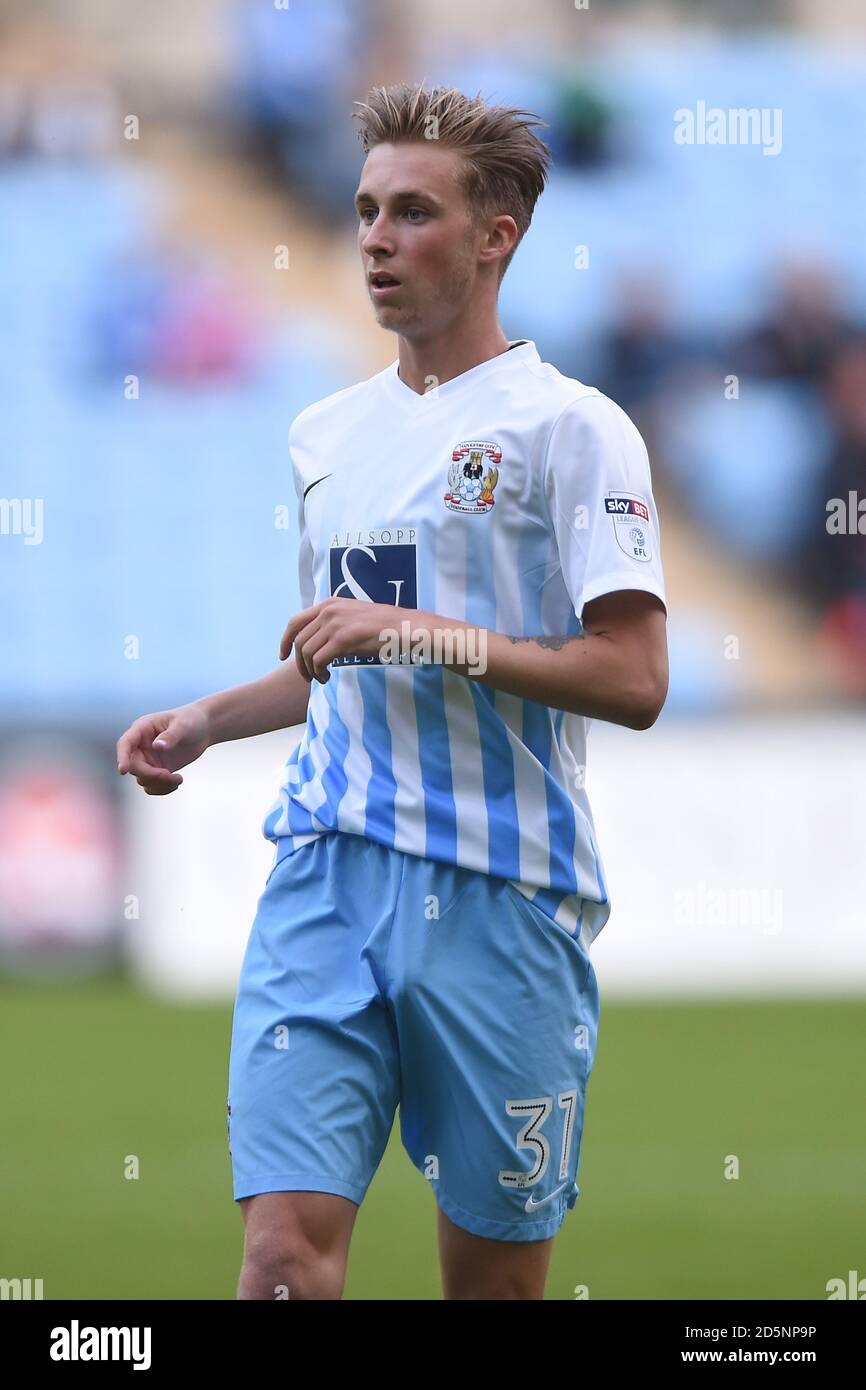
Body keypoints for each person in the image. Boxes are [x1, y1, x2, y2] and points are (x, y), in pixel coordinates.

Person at [116, 82, 669, 1301]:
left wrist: (426, 635)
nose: (373, 236)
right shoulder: (325, 430)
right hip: (325, 865)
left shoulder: (573, 431)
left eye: (411, 212)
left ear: (493, 236)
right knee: (278, 1257)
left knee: (490, 1284)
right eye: (364, 208)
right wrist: (211, 717)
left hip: (499, 892)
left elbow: (631, 679)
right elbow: (346, 652)